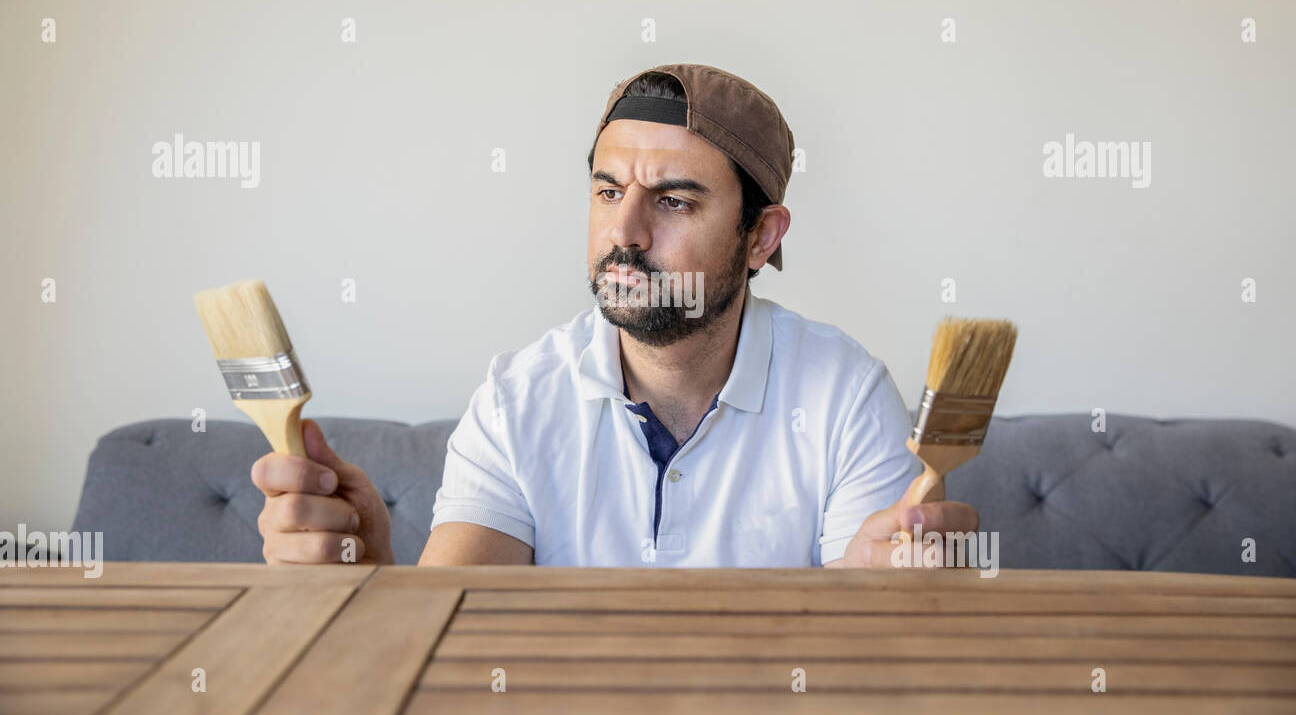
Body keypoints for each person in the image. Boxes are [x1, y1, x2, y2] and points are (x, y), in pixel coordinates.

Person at [251, 63, 979, 567]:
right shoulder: (516, 401)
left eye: (673, 200)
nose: (624, 233)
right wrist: (374, 574)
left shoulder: (844, 397)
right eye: (607, 193)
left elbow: (872, 641)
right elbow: (460, 629)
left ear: (761, 236)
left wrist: (883, 595)